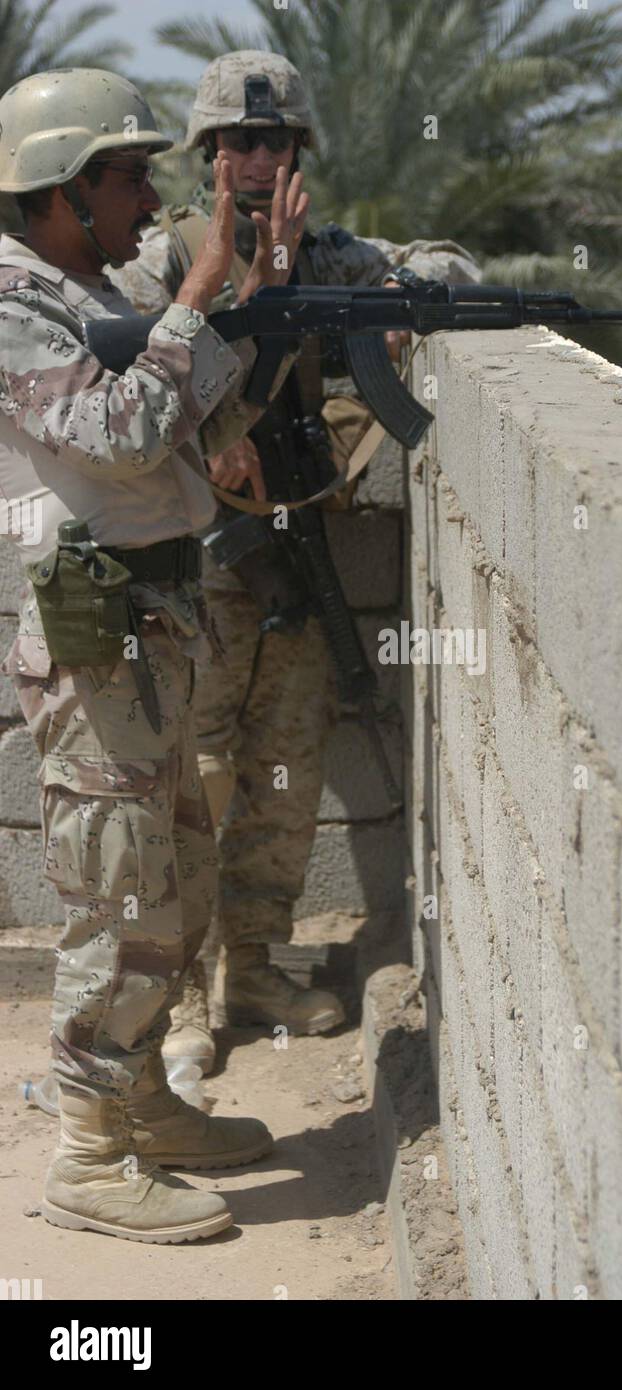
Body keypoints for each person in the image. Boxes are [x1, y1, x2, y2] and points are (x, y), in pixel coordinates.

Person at [111, 50, 481, 1072]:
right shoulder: (162, 261)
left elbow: (449, 265)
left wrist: (404, 298)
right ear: (209, 154)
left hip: (294, 551)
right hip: (196, 560)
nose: (256, 159)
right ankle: (180, 998)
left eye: (272, 141)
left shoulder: (329, 258)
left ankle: (254, 966)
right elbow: (122, 383)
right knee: (196, 776)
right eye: (237, 142)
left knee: (287, 770)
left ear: (297, 151)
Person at [0, 67, 310, 1242]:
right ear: (67, 188)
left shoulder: (97, 285)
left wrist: (262, 301)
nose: (150, 192)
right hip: (94, 640)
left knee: (168, 890)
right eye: (128, 174)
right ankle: (88, 1155)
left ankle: (144, 1111)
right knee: (119, 900)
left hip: (156, 627)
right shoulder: (16, 299)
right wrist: (199, 293)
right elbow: (121, 433)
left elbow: (201, 430)